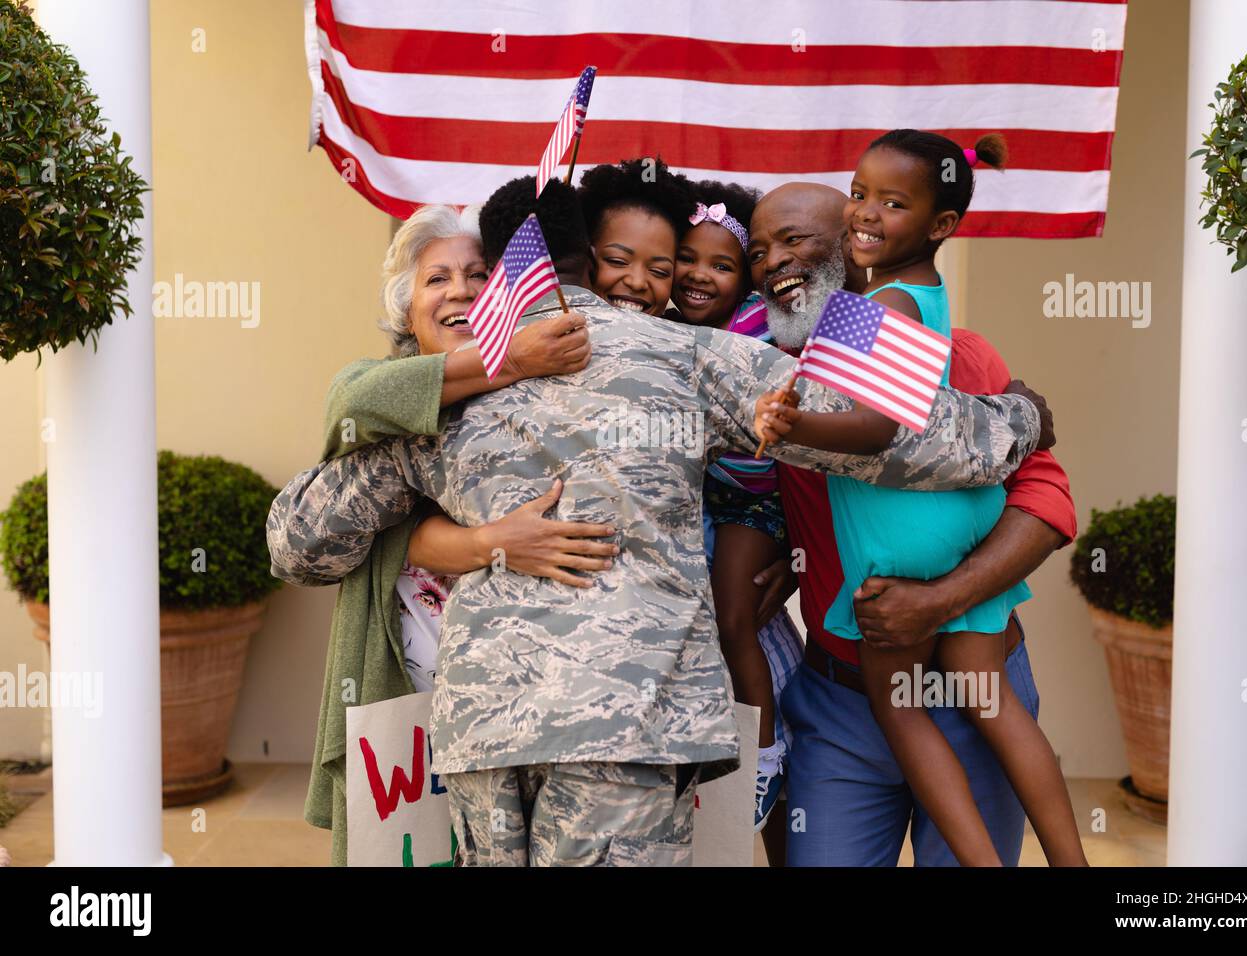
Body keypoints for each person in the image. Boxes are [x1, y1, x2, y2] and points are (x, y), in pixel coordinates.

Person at [267, 177, 1050, 866]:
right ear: (586, 252)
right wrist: (1014, 417)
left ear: (506, 266)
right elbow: (876, 428)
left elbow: (298, 543)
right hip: (629, 729)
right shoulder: (684, 355)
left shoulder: (443, 393)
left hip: (483, 735)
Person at [754, 130, 1085, 866]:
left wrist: (939, 600)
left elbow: (1050, 504)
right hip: (838, 707)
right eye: (759, 249)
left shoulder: (954, 351)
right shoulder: (760, 374)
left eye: (798, 240)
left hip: (962, 677)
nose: (775, 261)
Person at [295, 202, 606, 865]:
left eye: (478, 274)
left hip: (527, 721)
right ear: (406, 310)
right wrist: (511, 360)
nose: (460, 291)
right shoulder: (371, 389)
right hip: (404, 712)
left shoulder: (551, 403)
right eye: (437, 279)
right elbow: (309, 530)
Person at [667, 179, 798, 831]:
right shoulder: (664, 329)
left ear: (745, 278)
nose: (698, 274)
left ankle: (765, 753)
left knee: (733, 617)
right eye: (687, 257)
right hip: (712, 495)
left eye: (722, 264)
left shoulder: (761, 323)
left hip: (756, 504)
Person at [577, 157, 695, 315]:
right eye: (617, 261)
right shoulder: (540, 332)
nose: (637, 283)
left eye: (659, 271)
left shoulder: (692, 339)